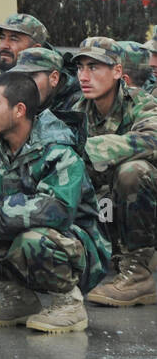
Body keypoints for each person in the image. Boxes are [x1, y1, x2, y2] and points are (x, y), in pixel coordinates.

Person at [0, 72, 109, 334]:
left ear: (19, 110)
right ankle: (19, 297)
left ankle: (68, 302)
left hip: (72, 249)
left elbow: (56, 211)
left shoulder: (58, 150)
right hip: (12, 233)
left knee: (33, 238)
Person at [65, 37, 157, 307]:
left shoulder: (142, 103)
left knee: (133, 171)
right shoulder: (76, 111)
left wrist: (93, 149)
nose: (84, 76)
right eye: (80, 68)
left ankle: (138, 274)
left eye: (94, 67)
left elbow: (153, 139)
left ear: (118, 72)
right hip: (105, 209)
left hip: (145, 209)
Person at [0, 13, 51, 89]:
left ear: (35, 49)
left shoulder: (48, 86)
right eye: (2, 38)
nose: (4, 46)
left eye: (13, 39)